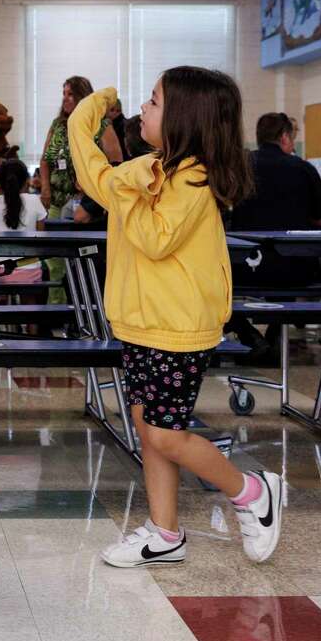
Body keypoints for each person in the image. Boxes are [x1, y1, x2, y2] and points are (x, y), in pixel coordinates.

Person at [69, 70, 282, 569]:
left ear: (186, 119)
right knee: (148, 428)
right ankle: (164, 533)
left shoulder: (191, 179)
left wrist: (121, 183)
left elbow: (152, 236)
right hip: (143, 323)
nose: (144, 108)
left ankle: (252, 490)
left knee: (165, 433)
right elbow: (96, 179)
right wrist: (86, 119)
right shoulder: (155, 171)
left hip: (177, 329)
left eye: (155, 102)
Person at [227, 112, 321, 356]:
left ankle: (247, 333)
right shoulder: (303, 169)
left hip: (245, 266)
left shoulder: (240, 167)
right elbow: (320, 218)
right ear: (284, 137)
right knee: (291, 257)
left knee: (214, 285)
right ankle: (275, 332)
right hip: (296, 268)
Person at [39, 76, 122, 304]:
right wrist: (45, 189)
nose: (65, 98)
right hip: (57, 200)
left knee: (81, 258)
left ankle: (79, 309)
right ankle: (56, 309)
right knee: (54, 261)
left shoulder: (102, 126)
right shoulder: (57, 125)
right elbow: (45, 159)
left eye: (71, 94)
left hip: (87, 205)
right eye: (63, 93)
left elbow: (116, 162)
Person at [0, 159, 48, 326]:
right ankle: (33, 341)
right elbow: (41, 235)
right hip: (29, 270)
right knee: (30, 302)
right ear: (26, 180)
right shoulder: (35, 201)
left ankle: (1, 337)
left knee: (0, 302)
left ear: (1, 181)